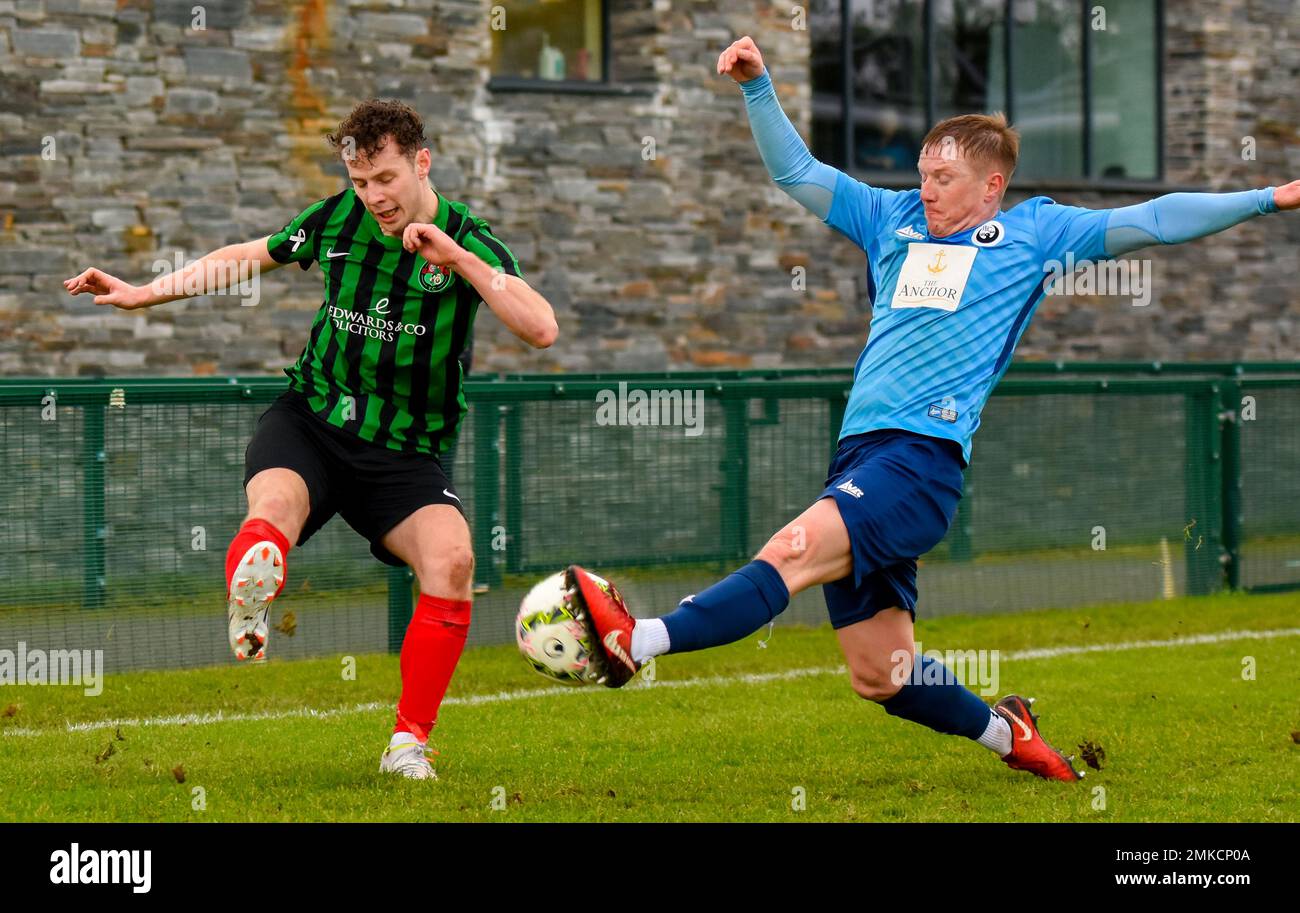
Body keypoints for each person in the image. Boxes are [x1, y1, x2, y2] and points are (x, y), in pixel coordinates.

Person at [575, 35, 1299, 782]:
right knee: (882, 673)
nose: (927, 189)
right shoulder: (890, 220)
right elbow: (796, 171)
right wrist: (759, 85)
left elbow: (1155, 217)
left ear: (991, 187)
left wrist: (1267, 198)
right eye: (924, 174)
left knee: (792, 551)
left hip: (920, 462)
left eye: (945, 178)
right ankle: (1008, 731)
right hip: (860, 456)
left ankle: (641, 639)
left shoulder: (1036, 233)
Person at [64, 99, 558, 780]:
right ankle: (254, 581)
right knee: (272, 512)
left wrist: (458, 258)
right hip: (312, 421)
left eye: (384, 179)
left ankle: (407, 743)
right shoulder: (336, 221)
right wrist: (143, 292)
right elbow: (248, 256)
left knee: (452, 564)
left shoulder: (469, 237)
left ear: (422, 162)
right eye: (360, 182)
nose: (373, 197)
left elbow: (540, 327)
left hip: (404, 451)